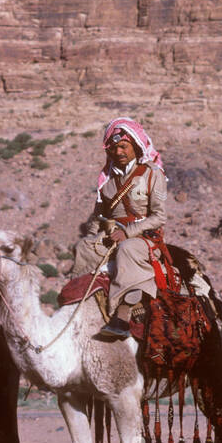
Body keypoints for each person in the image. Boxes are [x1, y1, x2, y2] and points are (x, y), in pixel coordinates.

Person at [74, 117, 169, 341]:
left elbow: (159, 217)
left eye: (124, 146)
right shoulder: (107, 182)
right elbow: (98, 216)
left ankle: (123, 315)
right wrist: (93, 238)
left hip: (143, 238)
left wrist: (127, 232)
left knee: (127, 249)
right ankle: (80, 304)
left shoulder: (152, 174)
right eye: (114, 148)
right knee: (84, 247)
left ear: (135, 146)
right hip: (112, 236)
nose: (118, 152)